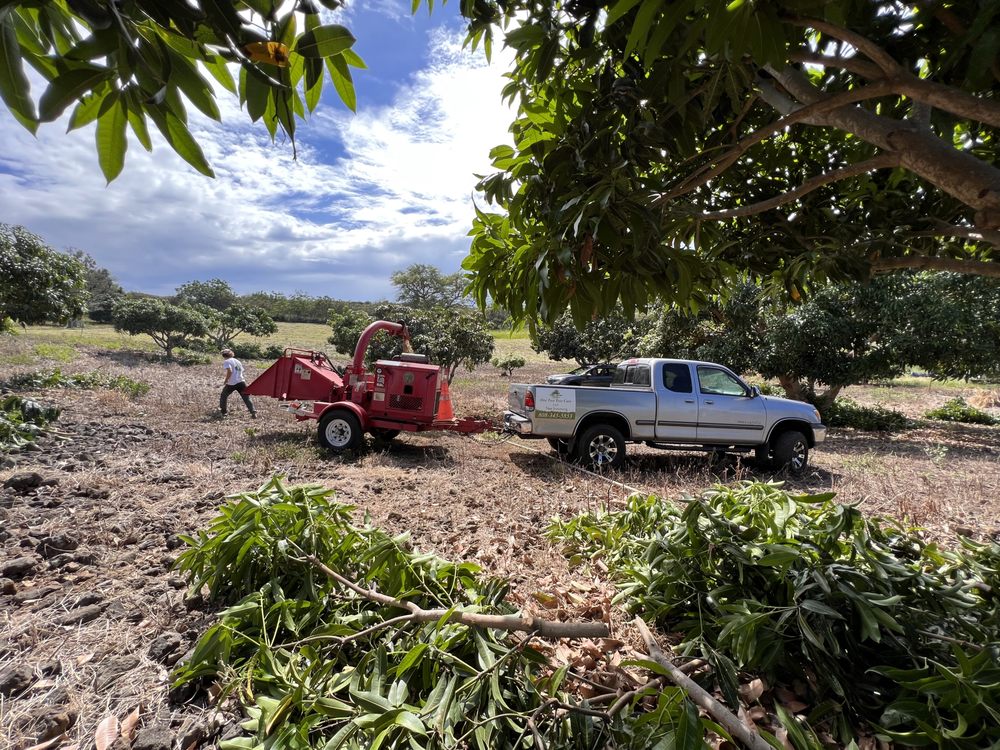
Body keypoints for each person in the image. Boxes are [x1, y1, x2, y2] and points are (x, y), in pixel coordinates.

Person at [220, 348, 256, 418]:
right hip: (241, 381)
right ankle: (253, 411)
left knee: (224, 396)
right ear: (231, 354)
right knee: (246, 397)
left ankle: (224, 412)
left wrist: (226, 380)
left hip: (232, 383)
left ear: (223, 355)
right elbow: (241, 371)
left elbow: (229, 371)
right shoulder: (237, 361)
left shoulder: (227, 361)